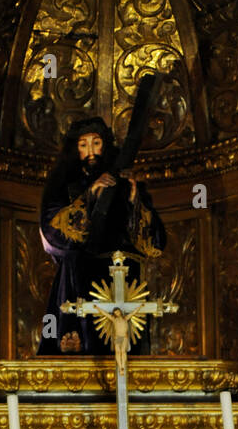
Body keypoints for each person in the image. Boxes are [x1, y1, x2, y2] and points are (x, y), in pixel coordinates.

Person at [37, 116, 166, 357]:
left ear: (105, 145)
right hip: (80, 274)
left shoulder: (126, 184)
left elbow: (153, 244)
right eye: (83, 145)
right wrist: (90, 195)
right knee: (81, 347)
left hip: (123, 276)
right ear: (74, 149)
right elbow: (53, 232)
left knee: (124, 346)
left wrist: (133, 200)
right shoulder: (63, 186)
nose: (90, 151)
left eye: (96, 143)